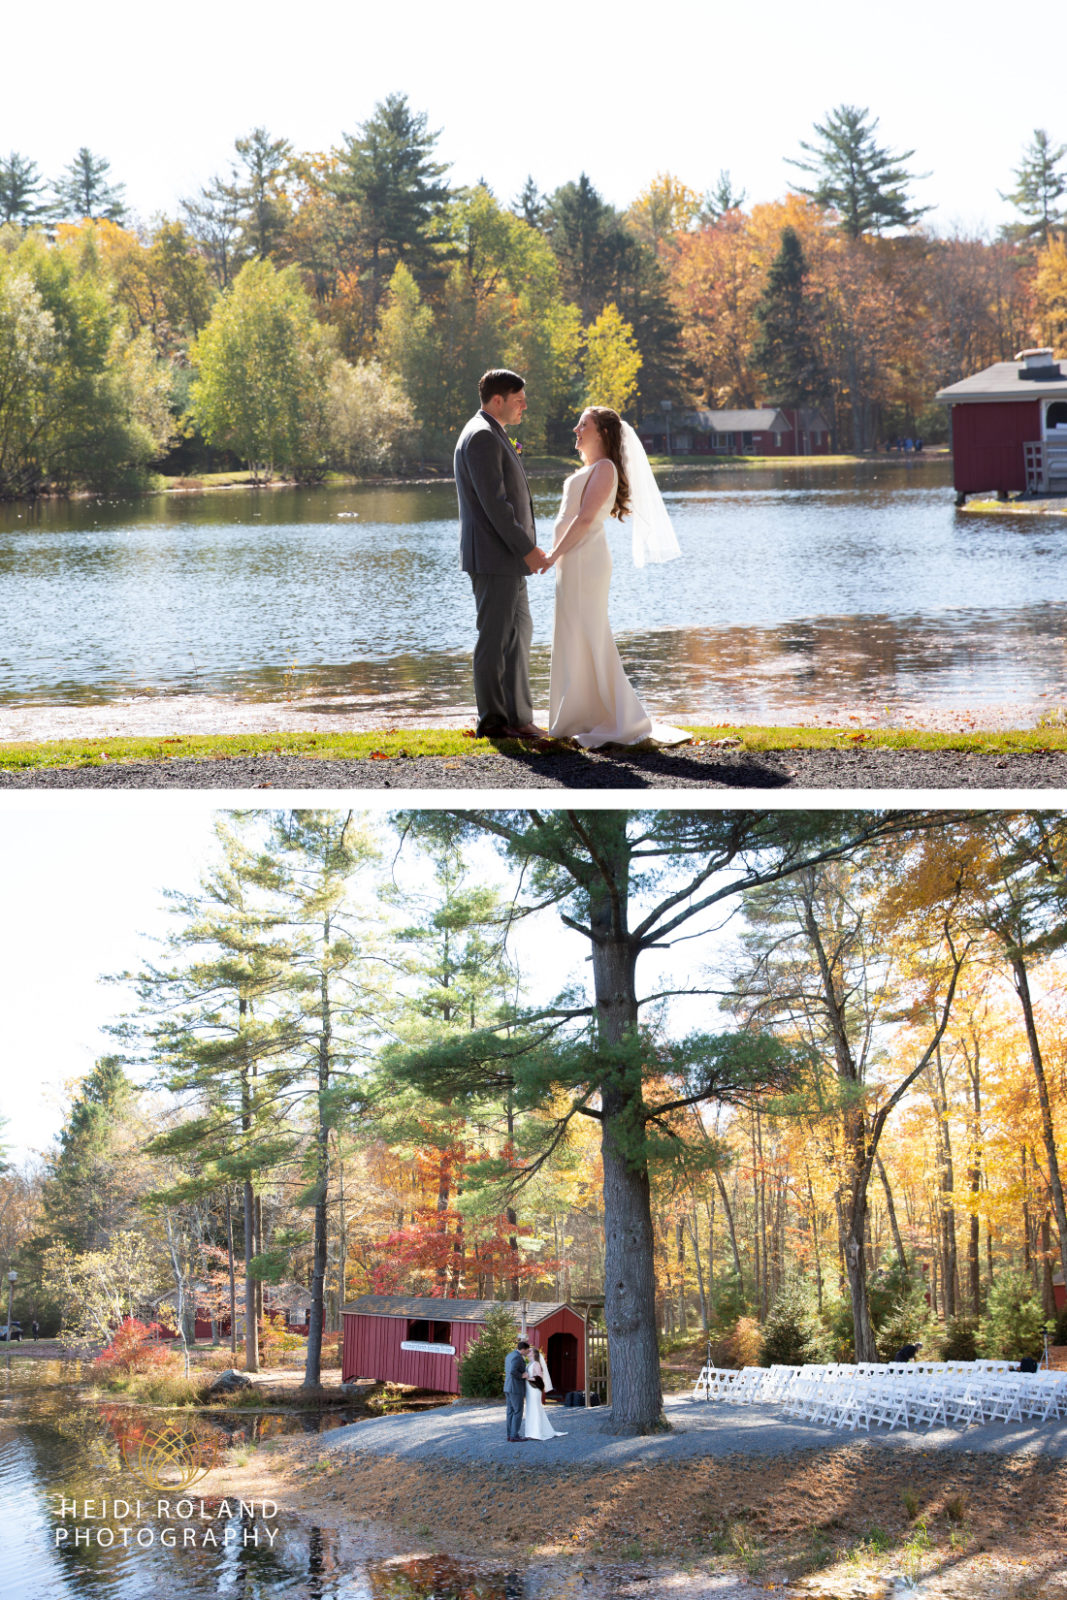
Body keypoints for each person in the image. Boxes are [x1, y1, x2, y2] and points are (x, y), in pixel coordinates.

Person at [545, 407, 690, 749]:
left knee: (591, 634)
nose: (576, 428)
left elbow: (583, 520)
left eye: (584, 424)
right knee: (573, 634)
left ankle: (617, 717)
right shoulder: (589, 469)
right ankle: (580, 714)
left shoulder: (606, 468)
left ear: (603, 434)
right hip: (573, 562)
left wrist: (553, 555)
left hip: (585, 562)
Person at [455, 369, 549, 740]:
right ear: (498, 400)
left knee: (519, 633)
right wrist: (528, 549)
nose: (524, 404)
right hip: (495, 558)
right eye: (518, 398)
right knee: (494, 639)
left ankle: (519, 717)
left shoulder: (490, 432)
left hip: (507, 559)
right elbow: (497, 506)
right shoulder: (480, 436)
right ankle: (493, 723)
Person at [521, 1345, 566, 1440]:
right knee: (530, 1409)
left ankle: (537, 1433)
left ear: (534, 1354)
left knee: (535, 1408)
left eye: (530, 1351)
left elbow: (539, 1378)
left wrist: (528, 1377)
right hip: (529, 1389)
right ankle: (531, 1432)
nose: (528, 1352)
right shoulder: (529, 1364)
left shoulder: (536, 1364)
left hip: (534, 1389)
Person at [504, 1336, 531, 1443]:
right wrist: (522, 1376)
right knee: (518, 1411)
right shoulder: (518, 1357)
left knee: (510, 1411)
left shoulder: (509, 1355)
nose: (528, 1352)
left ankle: (510, 1435)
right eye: (527, 1350)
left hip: (508, 1387)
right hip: (515, 1388)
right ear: (523, 1349)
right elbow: (512, 1371)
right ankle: (514, 1435)